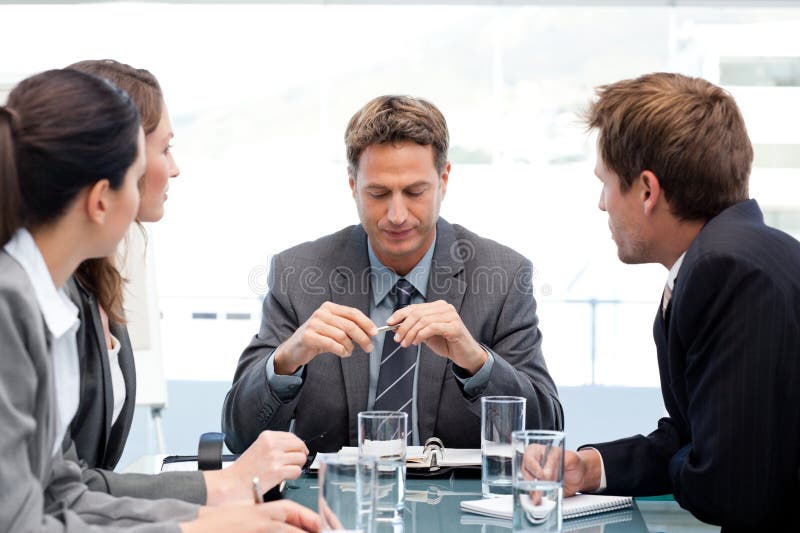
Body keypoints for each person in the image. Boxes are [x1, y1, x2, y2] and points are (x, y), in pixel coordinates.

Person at [0, 68, 318, 532]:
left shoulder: (40, 299)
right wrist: (202, 527)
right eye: (134, 178)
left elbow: (63, 495)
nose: (171, 171)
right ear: (101, 201)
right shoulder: (11, 306)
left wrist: (215, 519)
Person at [525, 72, 800, 531]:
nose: (602, 204)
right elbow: (698, 438)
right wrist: (591, 468)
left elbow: (726, 485)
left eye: (606, 184)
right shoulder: (738, 256)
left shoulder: (725, 272)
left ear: (648, 191)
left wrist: (693, 459)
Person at [222, 95, 562, 455]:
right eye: (378, 193)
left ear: (444, 180)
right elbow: (239, 435)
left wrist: (476, 362)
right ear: (352, 185)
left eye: (415, 192)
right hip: (335, 489)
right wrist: (287, 360)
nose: (397, 215)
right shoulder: (297, 274)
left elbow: (546, 432)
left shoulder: (504, 276)